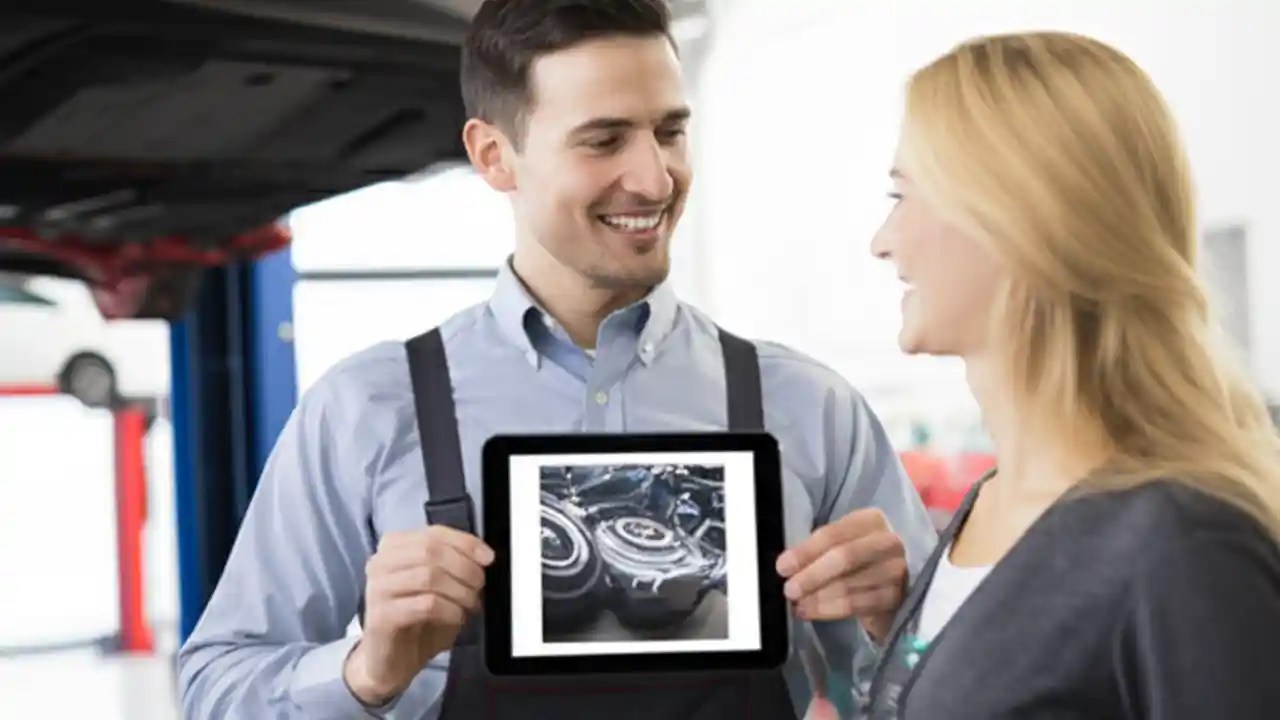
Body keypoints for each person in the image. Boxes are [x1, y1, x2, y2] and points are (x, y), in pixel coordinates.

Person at [176, 2, 937, 719]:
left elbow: (957, 689)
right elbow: (216, 687)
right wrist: (366, 670)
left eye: (669, 132)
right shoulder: (367, 410)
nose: (654, 178)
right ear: (494, 155)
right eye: (604, 140)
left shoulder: (809, 409)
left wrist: (889, 625)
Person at [863, 30, 1280, 719]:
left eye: (902, 195)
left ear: (1015, 217)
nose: (884, 241)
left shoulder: (1184, 542)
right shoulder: (989, 508)